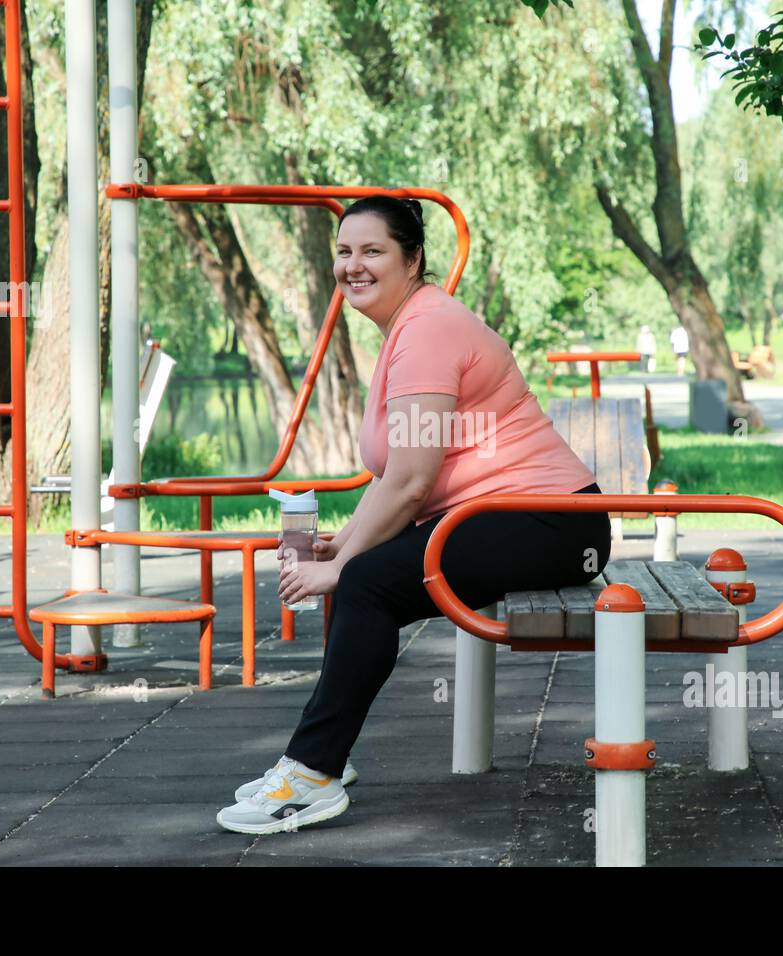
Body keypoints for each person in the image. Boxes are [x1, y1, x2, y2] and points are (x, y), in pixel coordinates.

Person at [216, 195, 612, 835]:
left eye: (373, 251)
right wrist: (342, 543)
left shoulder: (427, 327)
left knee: (366, 581)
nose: (354, 266)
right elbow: (400, 476)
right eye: (345, 252)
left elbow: (410, 479)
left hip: (552, 522)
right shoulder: (409, 326)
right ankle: (322, 759)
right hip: (515, 516)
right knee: (361, 570)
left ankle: (312, 775)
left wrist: (343, 564)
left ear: (414, 259)